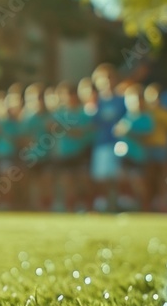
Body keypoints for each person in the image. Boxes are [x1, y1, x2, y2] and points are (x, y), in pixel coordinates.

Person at [88, 64, 126, 212]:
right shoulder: (96, 102)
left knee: (117, 177)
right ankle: (103, 204)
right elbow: (92, 123)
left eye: (110, 77)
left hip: (117, 145)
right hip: (101, 143)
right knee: (101, 178)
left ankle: (117, 204)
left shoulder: (122, 100)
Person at [50, 82, 92, 212]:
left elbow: (83, 134)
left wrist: (66, 130)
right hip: (63, 154)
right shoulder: (57, 114)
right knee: (67, 183)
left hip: (80, 154)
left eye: (71, 94)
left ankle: (84, 206)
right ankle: (69, 208)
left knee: (83, 182)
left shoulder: (84, 114)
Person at [113, 84, 154, 211]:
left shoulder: (146, 117)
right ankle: (127, 207)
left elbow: (146, 137)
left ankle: (145, 208)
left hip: (139, 156)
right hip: (126, 157)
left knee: (140, 184)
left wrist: (129, 132)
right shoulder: (126, 117)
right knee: (124, 182)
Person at [142, 84, 167, 212]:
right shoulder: (145, 112)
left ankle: (163, 204)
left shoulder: (165, 112)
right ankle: (147, 205)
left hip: (161, 148)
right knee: (149, 178)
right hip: (148, 148)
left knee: (163, 178)